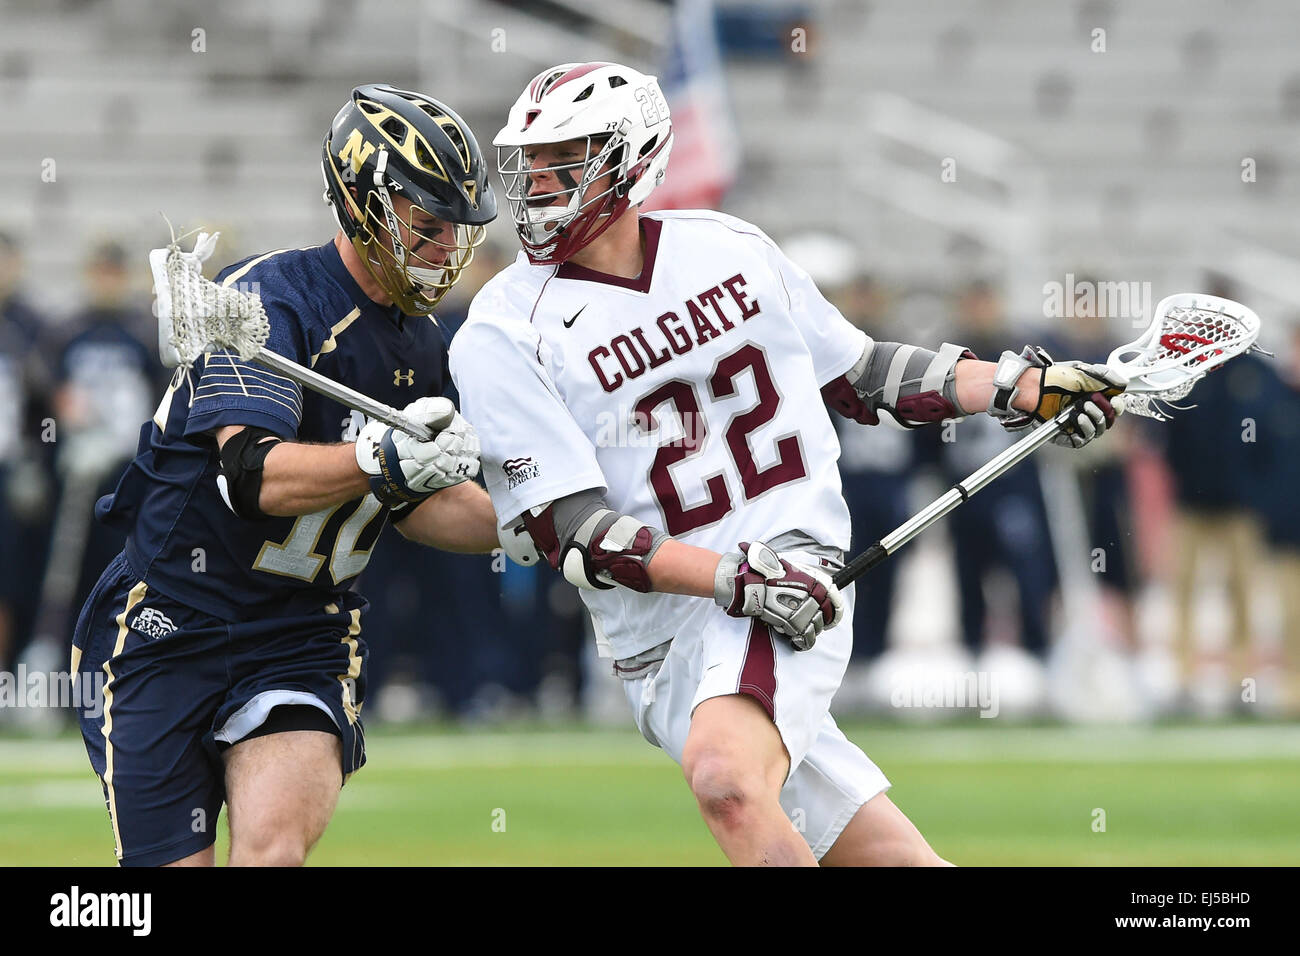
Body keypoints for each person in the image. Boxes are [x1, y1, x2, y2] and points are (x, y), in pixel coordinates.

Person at [450, 61, 1125, 866]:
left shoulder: (727, 246)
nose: (539, 184)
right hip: (662, 631)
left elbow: (864, 373)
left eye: (565, 160)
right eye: (530, 164)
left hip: (785, 576)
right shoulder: (500, 327)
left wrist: (1017, 385)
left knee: (727, 783)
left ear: (631, 157)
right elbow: (574, 533)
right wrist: (728, 577)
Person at [71, 83, 500, 866]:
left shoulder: (431, 346)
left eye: (455, 230)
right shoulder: (270, 300)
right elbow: (250, 476)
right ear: (364, 201)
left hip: (299, 632)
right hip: (167, 619)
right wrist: (380, 458)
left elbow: (417, 505)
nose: (447, 248)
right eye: (429, 225)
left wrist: (538, 527)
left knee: (272, 852)